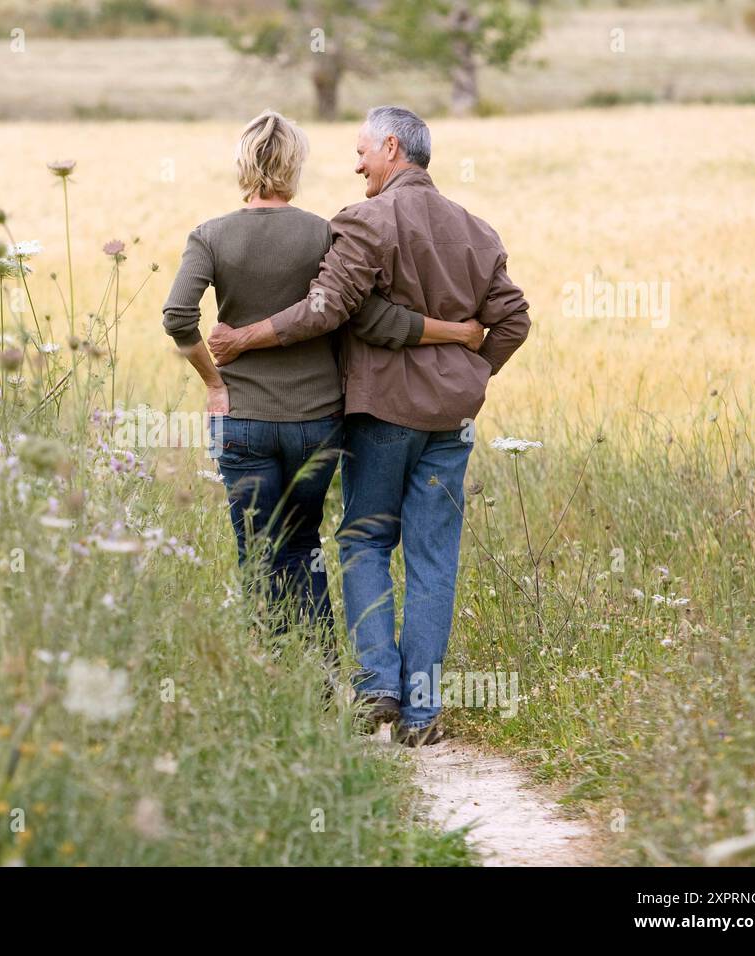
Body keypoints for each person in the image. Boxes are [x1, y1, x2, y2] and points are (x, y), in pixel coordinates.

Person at [209, 106, 531, 745]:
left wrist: (244, 337)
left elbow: (327, 308)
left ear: (390, 147)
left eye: (361, 153)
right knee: (434, 558)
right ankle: (422, 714)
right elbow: (513, 319)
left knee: (364, 542)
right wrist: (470, 376)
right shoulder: (476, 229)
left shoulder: (365, 220)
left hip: (382, 413)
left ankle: (378, 683)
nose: (357, 166)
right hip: (450, 423)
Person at [163, 109, 483, 667]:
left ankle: (277, 674)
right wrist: (456, 336)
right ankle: (325, 674)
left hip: (242, 419)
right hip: (317, 422)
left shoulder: (210, 235)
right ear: (295, 165)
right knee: (304, 544)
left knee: (260, 552)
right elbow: (350, 311)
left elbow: (177, 317)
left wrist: (214, 383)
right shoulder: (324, 233)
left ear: (242, 164)